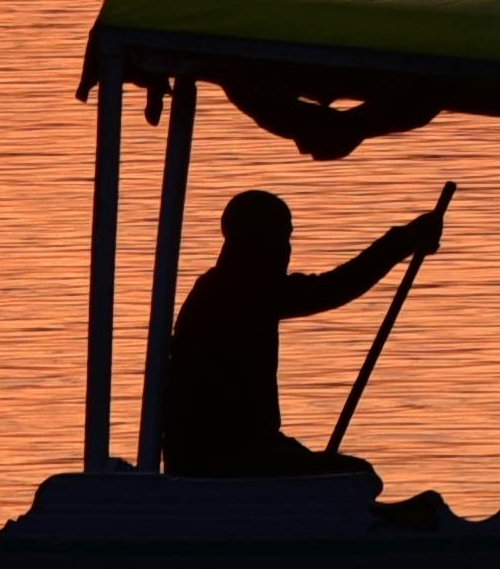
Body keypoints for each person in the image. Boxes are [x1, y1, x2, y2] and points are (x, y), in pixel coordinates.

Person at [157, 187, 442, 480]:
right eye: (283, 238)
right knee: (357, 478)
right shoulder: (236, 290)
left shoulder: (227, 286)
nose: (287, 249)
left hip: (244, 449)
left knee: (342, 474)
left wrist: (404, 242)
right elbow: (331, 288)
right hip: (221, 459)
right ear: (258, 241)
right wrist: (402, 241)